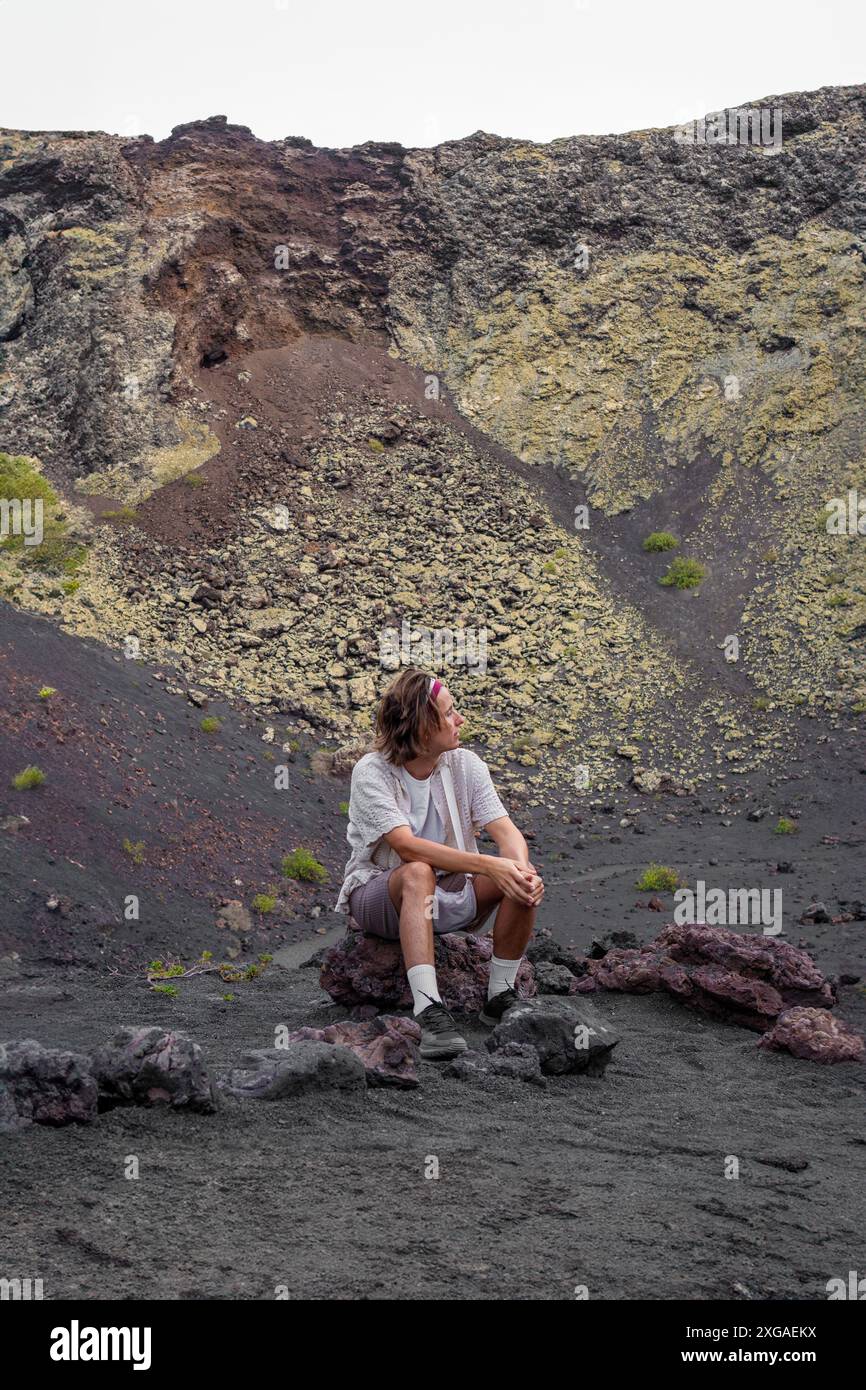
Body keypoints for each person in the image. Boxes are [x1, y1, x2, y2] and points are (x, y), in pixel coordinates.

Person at [335, 667, 543, 1059]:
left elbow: (506, 831)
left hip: (451, 890)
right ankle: (429, 1010)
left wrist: (516, 869)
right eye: (448, 713)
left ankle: (500, 994)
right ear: (420, 726)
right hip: (383, 898)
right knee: (417, 871)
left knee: (522, 874)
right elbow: (406, 847)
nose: (459, 719)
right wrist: (488, 865)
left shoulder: (465, 765)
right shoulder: (372, 772)